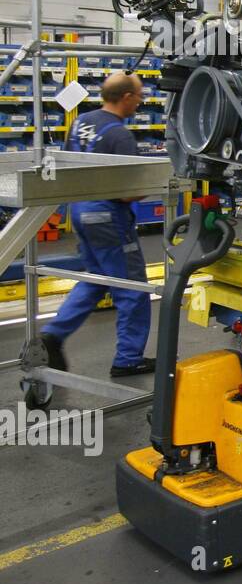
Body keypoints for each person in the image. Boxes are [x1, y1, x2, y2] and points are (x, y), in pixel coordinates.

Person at [41, 73, 155, 377]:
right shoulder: (120, 135)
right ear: (127, 98)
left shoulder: (82, 121)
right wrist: (156, 184)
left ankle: (53, 334)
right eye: (139, 96)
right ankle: (128, 359)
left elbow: (68, 164)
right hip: (108, 217)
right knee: (132, 288)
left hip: (79, 209)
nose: (141, 101)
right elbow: (126, 190)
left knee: (96, 278)